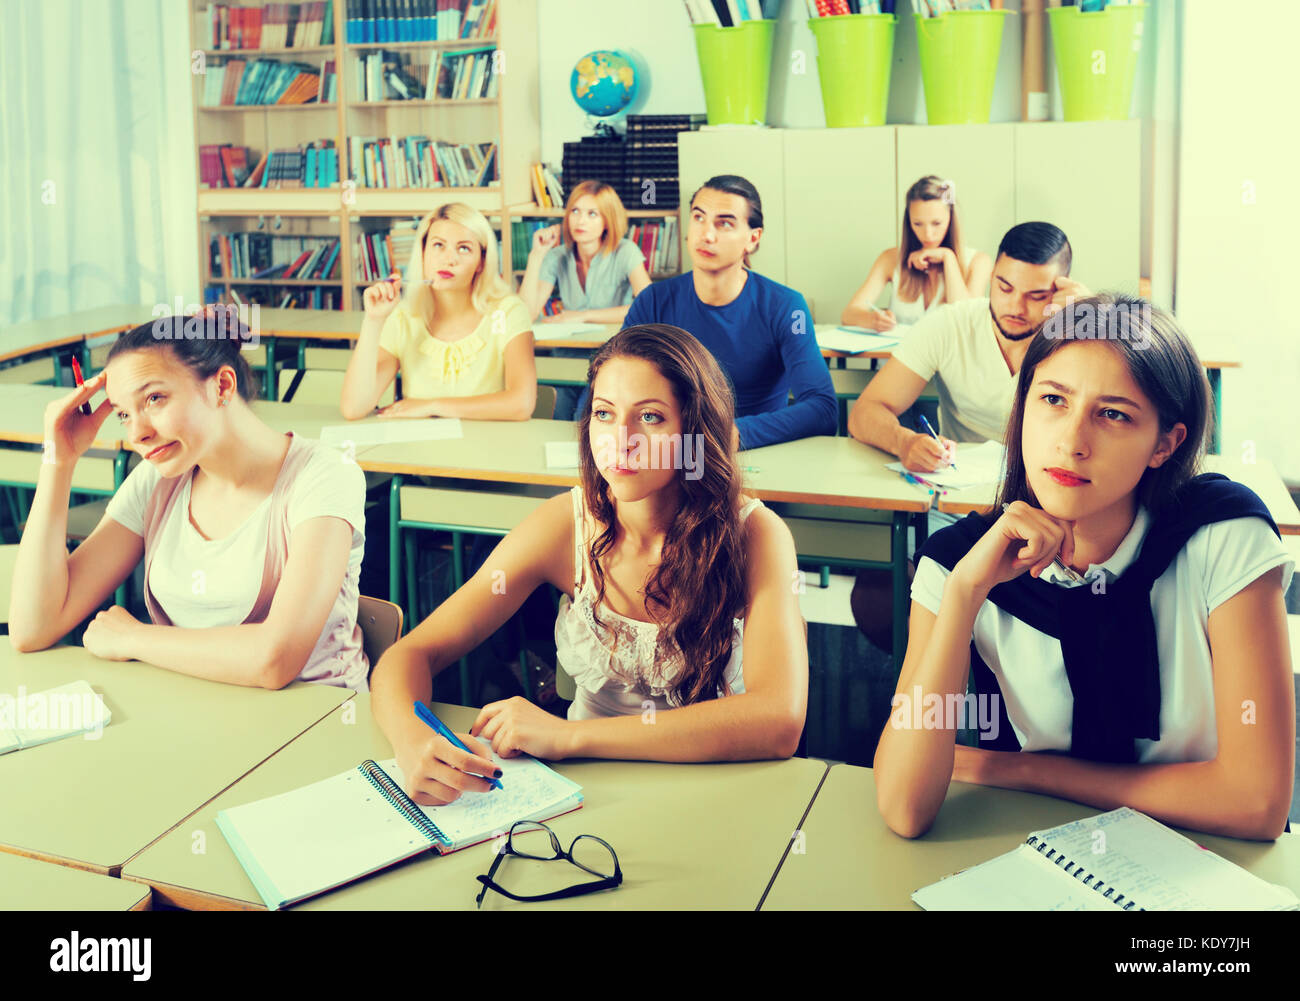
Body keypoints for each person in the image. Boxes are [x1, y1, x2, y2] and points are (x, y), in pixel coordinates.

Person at [874, 294, 1295, 842]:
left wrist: (1017, 769)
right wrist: (962, 596)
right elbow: (905, 807)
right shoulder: (962, 561)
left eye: (1113, 414)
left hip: (1208, 854)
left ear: (1165, 444)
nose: (1071, 442)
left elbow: (1256, 802)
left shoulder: (1223, 537)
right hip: (1035, 851)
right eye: (1053, 400)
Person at [369, 324, 809, 806]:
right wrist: (413, 743)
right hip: (587, 792)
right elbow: (409, 655)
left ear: (694, 432)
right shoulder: (565, 524)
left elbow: (778, 720)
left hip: (720, 787)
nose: (621, 441)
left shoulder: (757, 535)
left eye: (651, 417)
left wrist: (568, 737)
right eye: (604, 413)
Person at [8, 310, 369, 690]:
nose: (138, 434)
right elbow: (33, 628)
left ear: (222, 387)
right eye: (123, 415)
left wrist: (134, 638)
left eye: (155, 398)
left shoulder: (324, 474)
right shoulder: (158, 479)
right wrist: (59, 460)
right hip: (202, 712)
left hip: (319, 722)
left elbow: (274, 660)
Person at [846, 222, 1089, 652]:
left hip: (1049, 508)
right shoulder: (952, 324)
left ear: (1060, 291)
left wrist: (1093, 317)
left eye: (1037, 295)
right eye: (1005, 286)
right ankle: (941, 687)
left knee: (1050, 601)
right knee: (880, 592)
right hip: (958, 504)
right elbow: (866, 412)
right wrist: (905, 442)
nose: (1016, 306)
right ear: (990, 274)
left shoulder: (1076, 339)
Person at [599, 174, 837, 451]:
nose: (707, 234)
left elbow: (823, 408)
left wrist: (733, 435)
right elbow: (610, 385)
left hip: (751, 453)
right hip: (668, 454)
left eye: (724, 223)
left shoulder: (788, 307)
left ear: (753, 238)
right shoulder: (652, 301)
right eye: (699, 218)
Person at [341, 202, 537, 422]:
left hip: (484, 450)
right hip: (417, 453)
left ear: (481, 262)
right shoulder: (403, 317)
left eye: (464, 248)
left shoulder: (507, 312)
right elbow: (353, 407)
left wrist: (432, 406)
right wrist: (373, 320)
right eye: (438, 245)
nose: (449, 259)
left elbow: (522, 403)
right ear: (423, 253)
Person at [519, 180, 652, 421]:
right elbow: (526, 313)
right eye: (575, 211)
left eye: (592, 214)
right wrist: (536, 255)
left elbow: (649, 305)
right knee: (555, 413)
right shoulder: (557, 256)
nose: (581, 221)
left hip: (611, 359)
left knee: (586, 416)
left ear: (607, 220)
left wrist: (583, 315)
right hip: (567, 359)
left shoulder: (625, 251)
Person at [841, 175, 992, 332]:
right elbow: (848, 314)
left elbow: (967, 322)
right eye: (918, 224)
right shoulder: (890, 259)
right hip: (897, 355)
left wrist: (948, 258)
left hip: (948, 357)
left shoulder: (978, 262)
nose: (928, 234)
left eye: (936, 223)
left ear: (951, 219)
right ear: (909, 222)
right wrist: (872, 319)